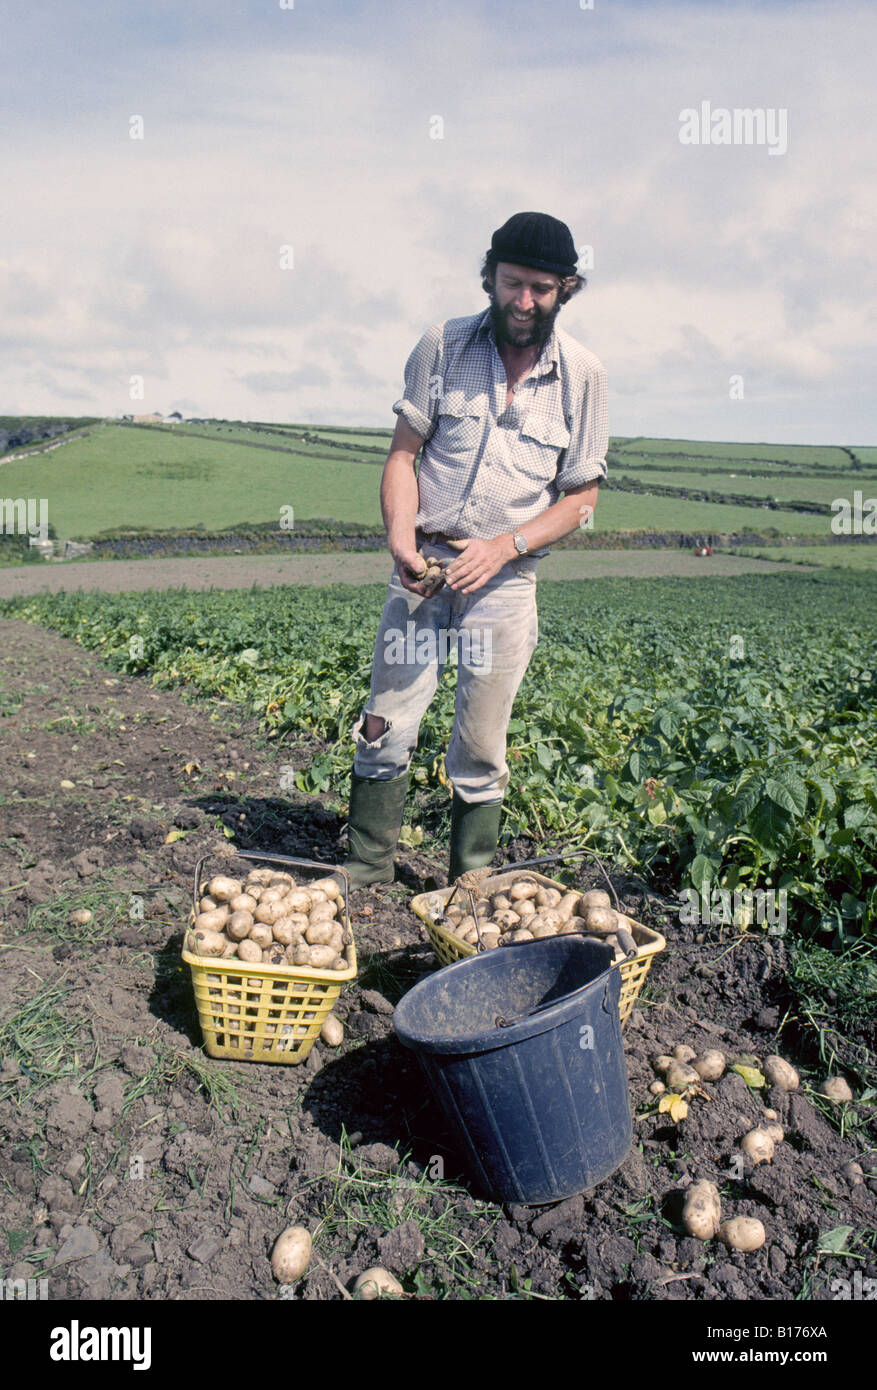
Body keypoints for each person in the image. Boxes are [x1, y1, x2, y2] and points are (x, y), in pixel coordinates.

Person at [343, 211, 608, 887]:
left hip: (504, 582)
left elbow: (580, 502)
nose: (524, 302)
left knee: (481, 741)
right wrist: (401, 539)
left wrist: (503, 547)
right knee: (385, 721)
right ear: (488, 278)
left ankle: (468, 887)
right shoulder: (443, 345)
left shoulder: (582, 376)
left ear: (565, 290)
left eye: (541, 289)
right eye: (512, 283)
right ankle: (367, 871)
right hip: (424, 568)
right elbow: (403, 456)